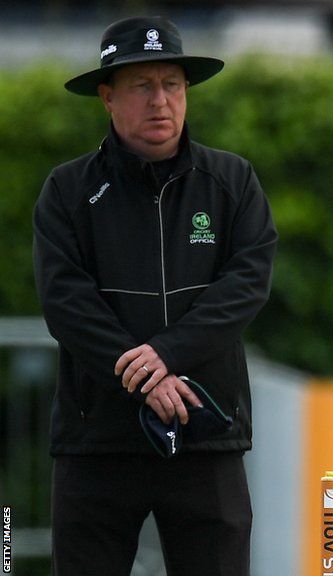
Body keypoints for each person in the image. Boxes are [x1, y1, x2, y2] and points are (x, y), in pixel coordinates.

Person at [33, 15, 277, 576]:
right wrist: (145, 374)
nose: (160, 101)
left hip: (205, 432)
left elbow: (246, 285)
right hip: (97, 440)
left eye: (172, 84)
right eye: (142, 86)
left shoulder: (233, 180)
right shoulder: (67, 190)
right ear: (107, 96)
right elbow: (65, 300)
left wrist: (167, 355)